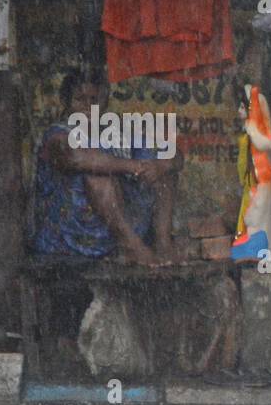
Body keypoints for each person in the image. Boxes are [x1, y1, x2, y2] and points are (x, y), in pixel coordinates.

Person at [30, 69, 181, 267]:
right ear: (66, 102)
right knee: (98, 175)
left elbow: (173, 153)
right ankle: (132, 247)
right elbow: (75, 157)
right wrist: (133, 166)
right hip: (72, 237)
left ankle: (163, 245)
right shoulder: (56, 135)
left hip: (111, 235)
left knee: (162, 171)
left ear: (104, 102)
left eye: (94, 100)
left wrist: (159, 166)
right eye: (79, 99)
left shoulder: (116, 133)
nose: (87, 107)